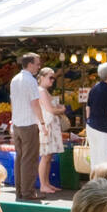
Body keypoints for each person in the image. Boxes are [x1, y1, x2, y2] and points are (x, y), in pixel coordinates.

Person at [9, 52, 43, 202]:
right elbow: (35, 103)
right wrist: (42, 122)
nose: (39, 66)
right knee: (29, 159)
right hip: (28, 123)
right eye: (37, 64)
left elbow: (13, 102)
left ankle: (20, 191)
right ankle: (28, 192)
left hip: (17, 123)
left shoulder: (15, 79)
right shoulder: (31, 81)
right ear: (30, 65)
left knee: (20, 158)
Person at [84, 61, 107, 169]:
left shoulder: (94, 88)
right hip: (105, 129)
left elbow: (88, 108)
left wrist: (89, 122)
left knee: (95, 159)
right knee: (106, 160)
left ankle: (95, 183)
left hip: (92, 127)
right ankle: (103, 184)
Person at [36, 67, 64, 196]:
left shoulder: (44, 91)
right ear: (42, 77)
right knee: (45, 156)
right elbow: (50, 110)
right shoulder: (41, 91)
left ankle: (46, 183)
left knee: (49, 156)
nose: (53, 80)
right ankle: (43, 184)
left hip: (50, 126)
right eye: (50, 77)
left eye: (54, 77)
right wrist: (61, 110)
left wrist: (57, 109)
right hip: (47, 126)